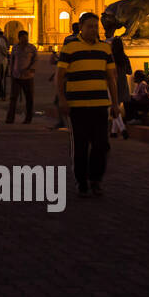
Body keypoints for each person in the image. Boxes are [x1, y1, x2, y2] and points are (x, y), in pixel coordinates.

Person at [56, 12, 120, 197]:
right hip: (77, 104)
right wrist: (62, 99)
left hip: (100, 104)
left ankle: (96, 179)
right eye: (90, 26)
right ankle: (82, 181)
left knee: (101, 144)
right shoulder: (70, 48)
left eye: (95, 26)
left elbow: (111, 78)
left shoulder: (105, 49)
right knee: (81, 145)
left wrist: (115, 104)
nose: (93, 30)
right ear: (81, 27)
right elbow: (60, 77)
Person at [4, 30, 37, 124]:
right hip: (16, 76)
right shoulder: (15, 48)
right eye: (23, 38)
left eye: (26, 38)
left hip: (28, 77)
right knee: (13, 98)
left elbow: (35, 60)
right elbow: (12, 61)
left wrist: (31, 69)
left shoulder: (32, 48)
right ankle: (10, 118)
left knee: (29, 98)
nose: (25, 40)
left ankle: (28, 118)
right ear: (19, 38)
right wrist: (11, 73)